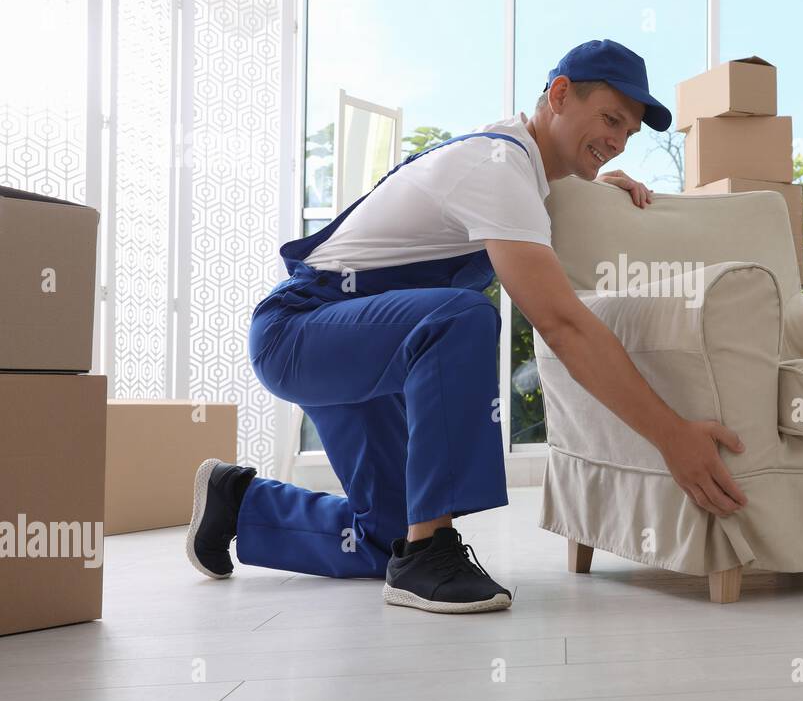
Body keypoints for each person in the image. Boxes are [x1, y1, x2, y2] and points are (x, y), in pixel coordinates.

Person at [185, 39, 747, 614]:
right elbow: (561, 324)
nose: (616, 140)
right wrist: (672, 436)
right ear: (558, 95)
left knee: (385, 537)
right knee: (464, 317)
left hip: (368, 343)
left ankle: (239, 503)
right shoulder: (497, 166)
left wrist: (596, 185)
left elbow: (517, 203)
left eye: (627, 132)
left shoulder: (520, 170)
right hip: (303, 331)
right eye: (609, 119)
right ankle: (430, 555)